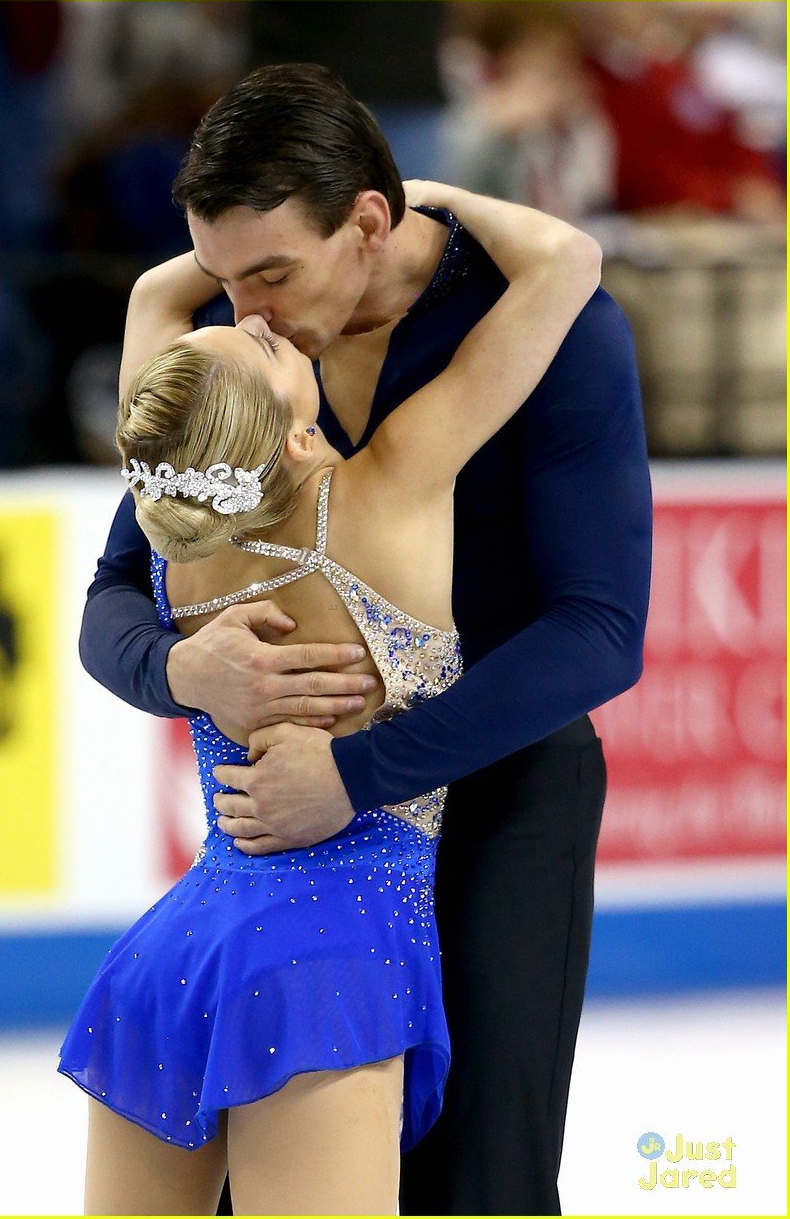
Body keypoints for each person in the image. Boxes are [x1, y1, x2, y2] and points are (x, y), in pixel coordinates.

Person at [76, 65, 653, 1215]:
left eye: (271, 273)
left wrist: (356, 772)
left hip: (498, 783)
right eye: (222, 276)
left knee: (481, 1186)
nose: (247, 311)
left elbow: (599, 631)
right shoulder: (246, 363)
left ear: (370, 222)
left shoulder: (538, 330)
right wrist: (181, 667)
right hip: (297, 868)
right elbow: (113, 597)